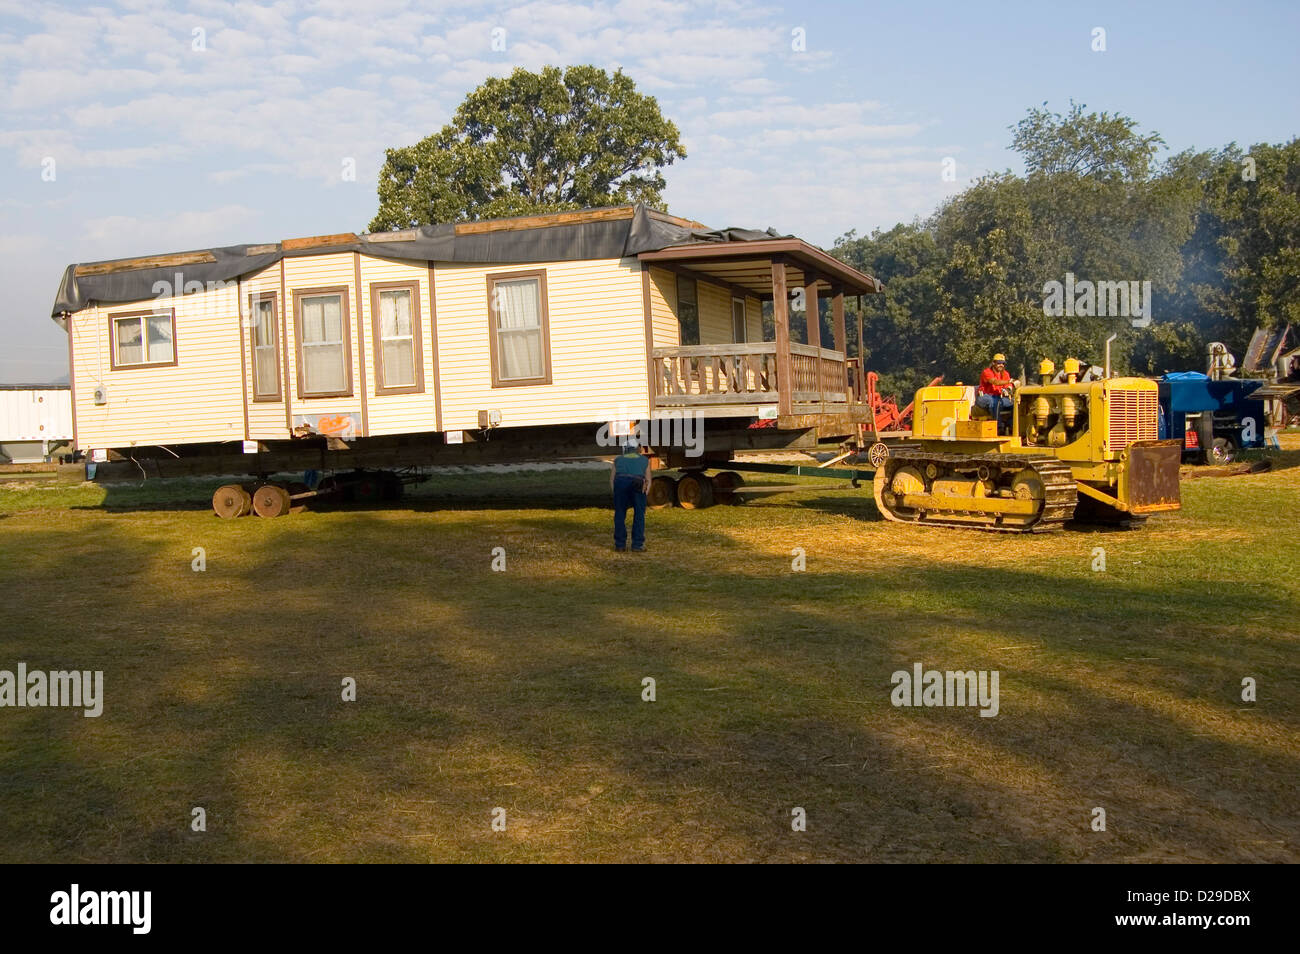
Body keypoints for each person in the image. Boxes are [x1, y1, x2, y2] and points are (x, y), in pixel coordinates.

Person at [611, 439, 651, 552]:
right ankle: (637, 545)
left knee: (619, 513)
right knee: (639, 514)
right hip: (638, 484)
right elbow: (648, 479)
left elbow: (612, 479)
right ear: (637, 448)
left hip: (620, 483)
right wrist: (645, 493)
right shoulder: (644, 460)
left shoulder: (618, 460)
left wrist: (616, 492)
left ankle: (620, 545)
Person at [976, 353, 1016, 435]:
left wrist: (1009, 388)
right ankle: (998, 427)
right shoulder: (987, 372)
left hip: (998, 397)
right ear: (993, 363)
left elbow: (1008, 386)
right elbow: (994, 382)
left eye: (1003, 363)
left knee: (1015, 403)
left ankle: (1011, 424)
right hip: (984, 397)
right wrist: (1010, 381)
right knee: (995, 402)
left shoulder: (1005, 374)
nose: (1001, 365)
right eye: (999, 362)